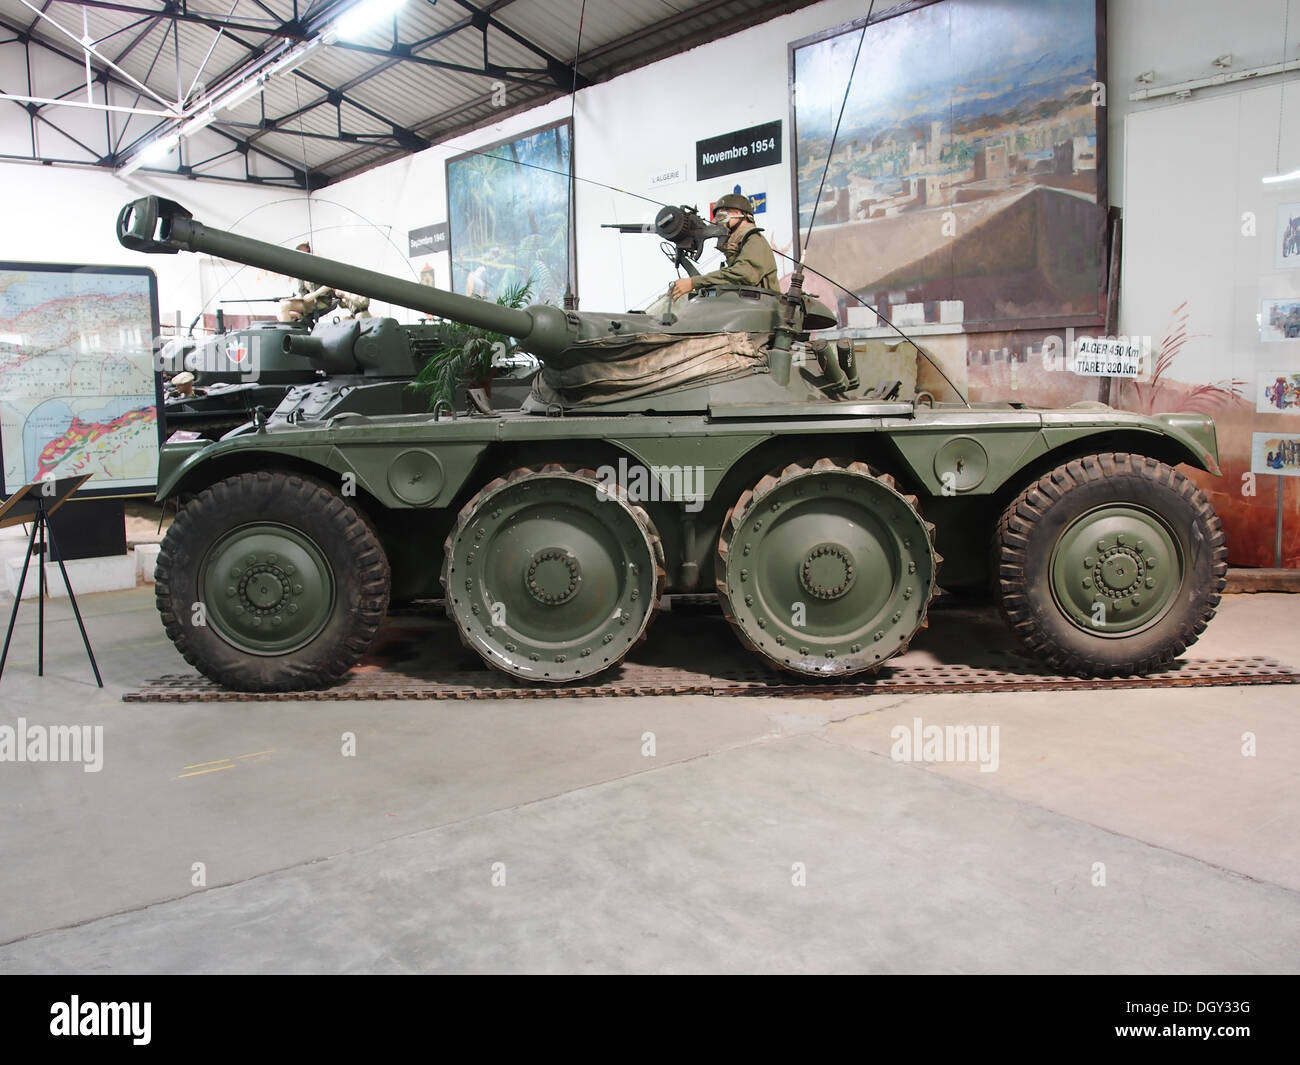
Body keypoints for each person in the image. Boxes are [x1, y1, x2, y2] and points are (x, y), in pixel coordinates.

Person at [670, 193, 779, 300]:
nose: (718, 222)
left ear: (738, 213)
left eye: (721, 216)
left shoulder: (754, 239)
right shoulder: (738, 243)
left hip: (764, 311)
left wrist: (693, 282)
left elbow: (743, 274)